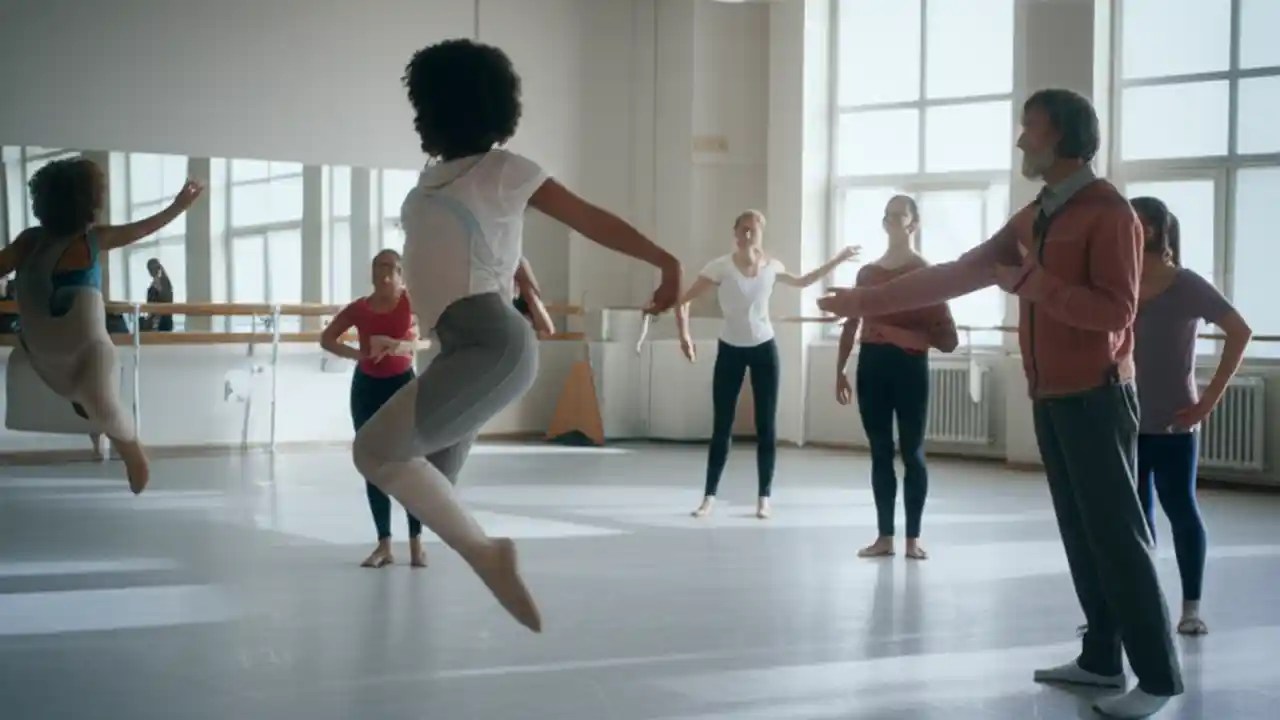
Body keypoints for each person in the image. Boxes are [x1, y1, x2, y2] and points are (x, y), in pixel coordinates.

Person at [818, 89, 1181, 719]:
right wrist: (861, 303)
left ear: (1064, 138)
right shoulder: (1037, 215)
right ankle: (1101, 658)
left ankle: (1156, 678)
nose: (1020, 141)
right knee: (1080, 534)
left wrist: (1032, 282)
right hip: (1052, 395)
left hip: (1096, 396)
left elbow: (1116, 312)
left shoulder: (1109, 213)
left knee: (1118, 536)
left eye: (1030, 130)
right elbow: (960, 272)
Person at [350, 38, 682, 633]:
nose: (417, 120)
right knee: (424, 482)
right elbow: (492, 248)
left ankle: (488, 555)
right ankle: (482, 554)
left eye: (422, 108)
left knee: (373, 450)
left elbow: (591, 219)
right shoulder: (431, 179)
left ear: (447, 108)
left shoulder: (505, 170)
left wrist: (667, 262)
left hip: (494, 345)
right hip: (457, 350)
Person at [0, 157, 203, 494]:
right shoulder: (33, 242)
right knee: (94, 399)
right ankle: (101, 423)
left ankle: (130, 452)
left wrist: (178, 206)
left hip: (85, 350)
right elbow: (143, 227)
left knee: (100, 399)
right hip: (47, 352)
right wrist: (179, 206)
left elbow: (144, 227)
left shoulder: (82, 240)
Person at [675, 209, 857, 520]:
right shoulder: (719, 267)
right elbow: (684, 300)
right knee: (722, 425)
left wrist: (837, 260)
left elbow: (802, 282)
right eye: (743, 230)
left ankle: (764, 497)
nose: (747, 235)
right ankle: (708, 497)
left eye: (753, 231)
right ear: (735, 233)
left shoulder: (772, 267)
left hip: (763, 349)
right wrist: (685, 336)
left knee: (766, 425)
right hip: (730, 349)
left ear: (760, 234)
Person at [1128, 196, 1252, 635]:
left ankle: (1191, 607)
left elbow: (1240, 331)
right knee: (1134, 516)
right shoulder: (1119, 282)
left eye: (1142, 225)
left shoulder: (1186, 284)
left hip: (1174, 419)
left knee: (1180, 507)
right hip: (1125, 420)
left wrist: (1208, 401)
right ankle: (1140, 606)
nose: (1135, 232)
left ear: (1161, 232)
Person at [835, 195, 957, 560]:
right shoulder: (868, 273)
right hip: (871, 365)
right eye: (887, 214)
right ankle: (884, 537)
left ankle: (912, 539)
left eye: (898, 214)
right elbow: (852, 321)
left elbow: (949, 340)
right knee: (879, 453)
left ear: (913, 223)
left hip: (909, 369)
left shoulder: (926, 273)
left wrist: (901, 335)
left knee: (912, 452)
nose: (891, 219)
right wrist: (839, 367)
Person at [321, 249, 427, 569]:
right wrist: (359, 356)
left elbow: (430, 341)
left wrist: (402, 346)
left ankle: (416, 542)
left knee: (408, 463)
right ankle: (384, 544)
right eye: (380, 268)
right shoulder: (359, 308)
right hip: (367, 388)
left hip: (403, 386)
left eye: (393, 269)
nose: (386, 274)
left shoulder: (414, 302)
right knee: (373, 463)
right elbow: (327, 339)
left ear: (402, 275)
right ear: (371, 273)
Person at [144, 258, 175, 332]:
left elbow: (166, 299)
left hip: (162, 320)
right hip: (155, 318)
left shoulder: (163, 282)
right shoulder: (155, 283)